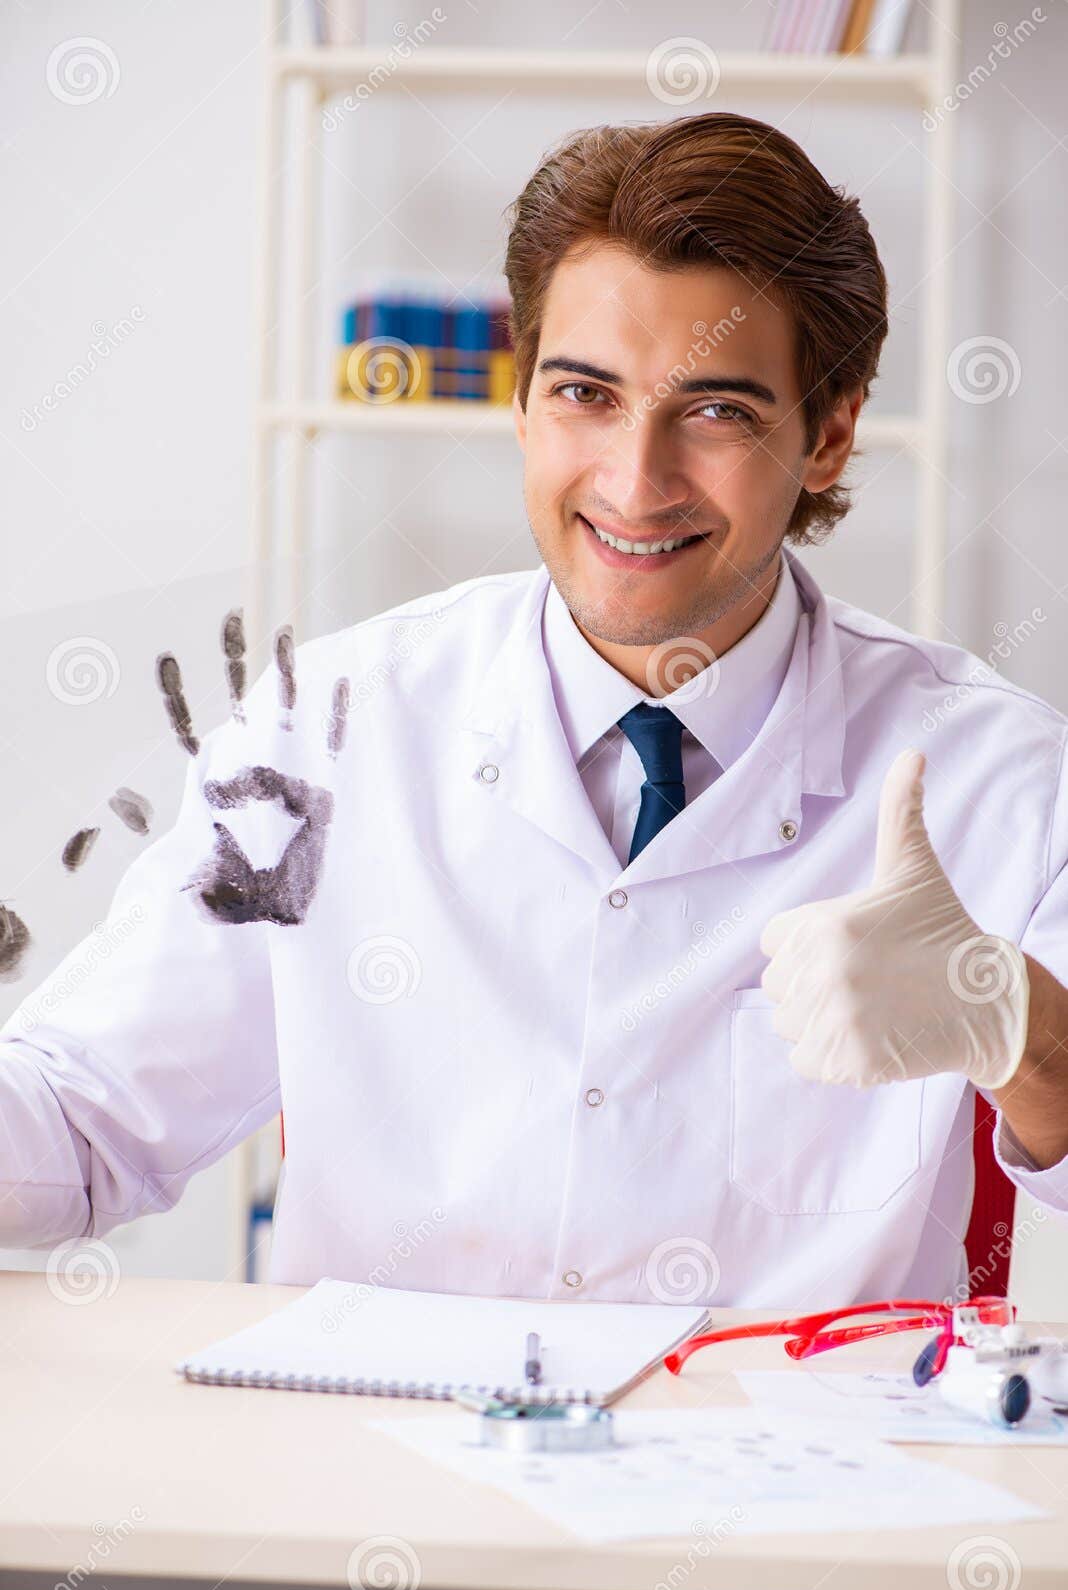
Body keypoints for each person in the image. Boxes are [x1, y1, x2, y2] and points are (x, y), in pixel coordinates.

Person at [2, 111, 1066, 1310]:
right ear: (520, 402)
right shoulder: (327, 730)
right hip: (374, 1474)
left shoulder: (998, 774)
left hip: (803, 1482)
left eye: (716, 411)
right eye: (585, 394)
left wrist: (1015, 1021)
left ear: (828, 435)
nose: (633, 479)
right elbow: (84, 1119)